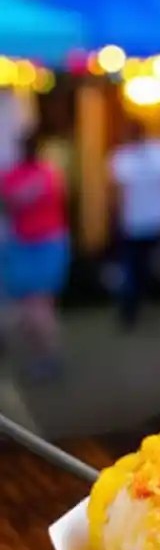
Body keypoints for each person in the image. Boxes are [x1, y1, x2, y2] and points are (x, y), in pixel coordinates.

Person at [0, 132, 70, 379]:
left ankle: (48, 357)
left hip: (42, 243)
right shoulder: (44, 173)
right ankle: (45, 357)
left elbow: (12, 203)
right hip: (30, 244)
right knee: (36, 305)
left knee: (36, 305)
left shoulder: (42, 174)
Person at [109, 119, 160, 330]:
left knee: (135, 270)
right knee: (155, 268)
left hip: (135, 223)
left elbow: (118, 195)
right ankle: (153, 308)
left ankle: (131, 313)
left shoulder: (121, 158)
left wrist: (117, 220)